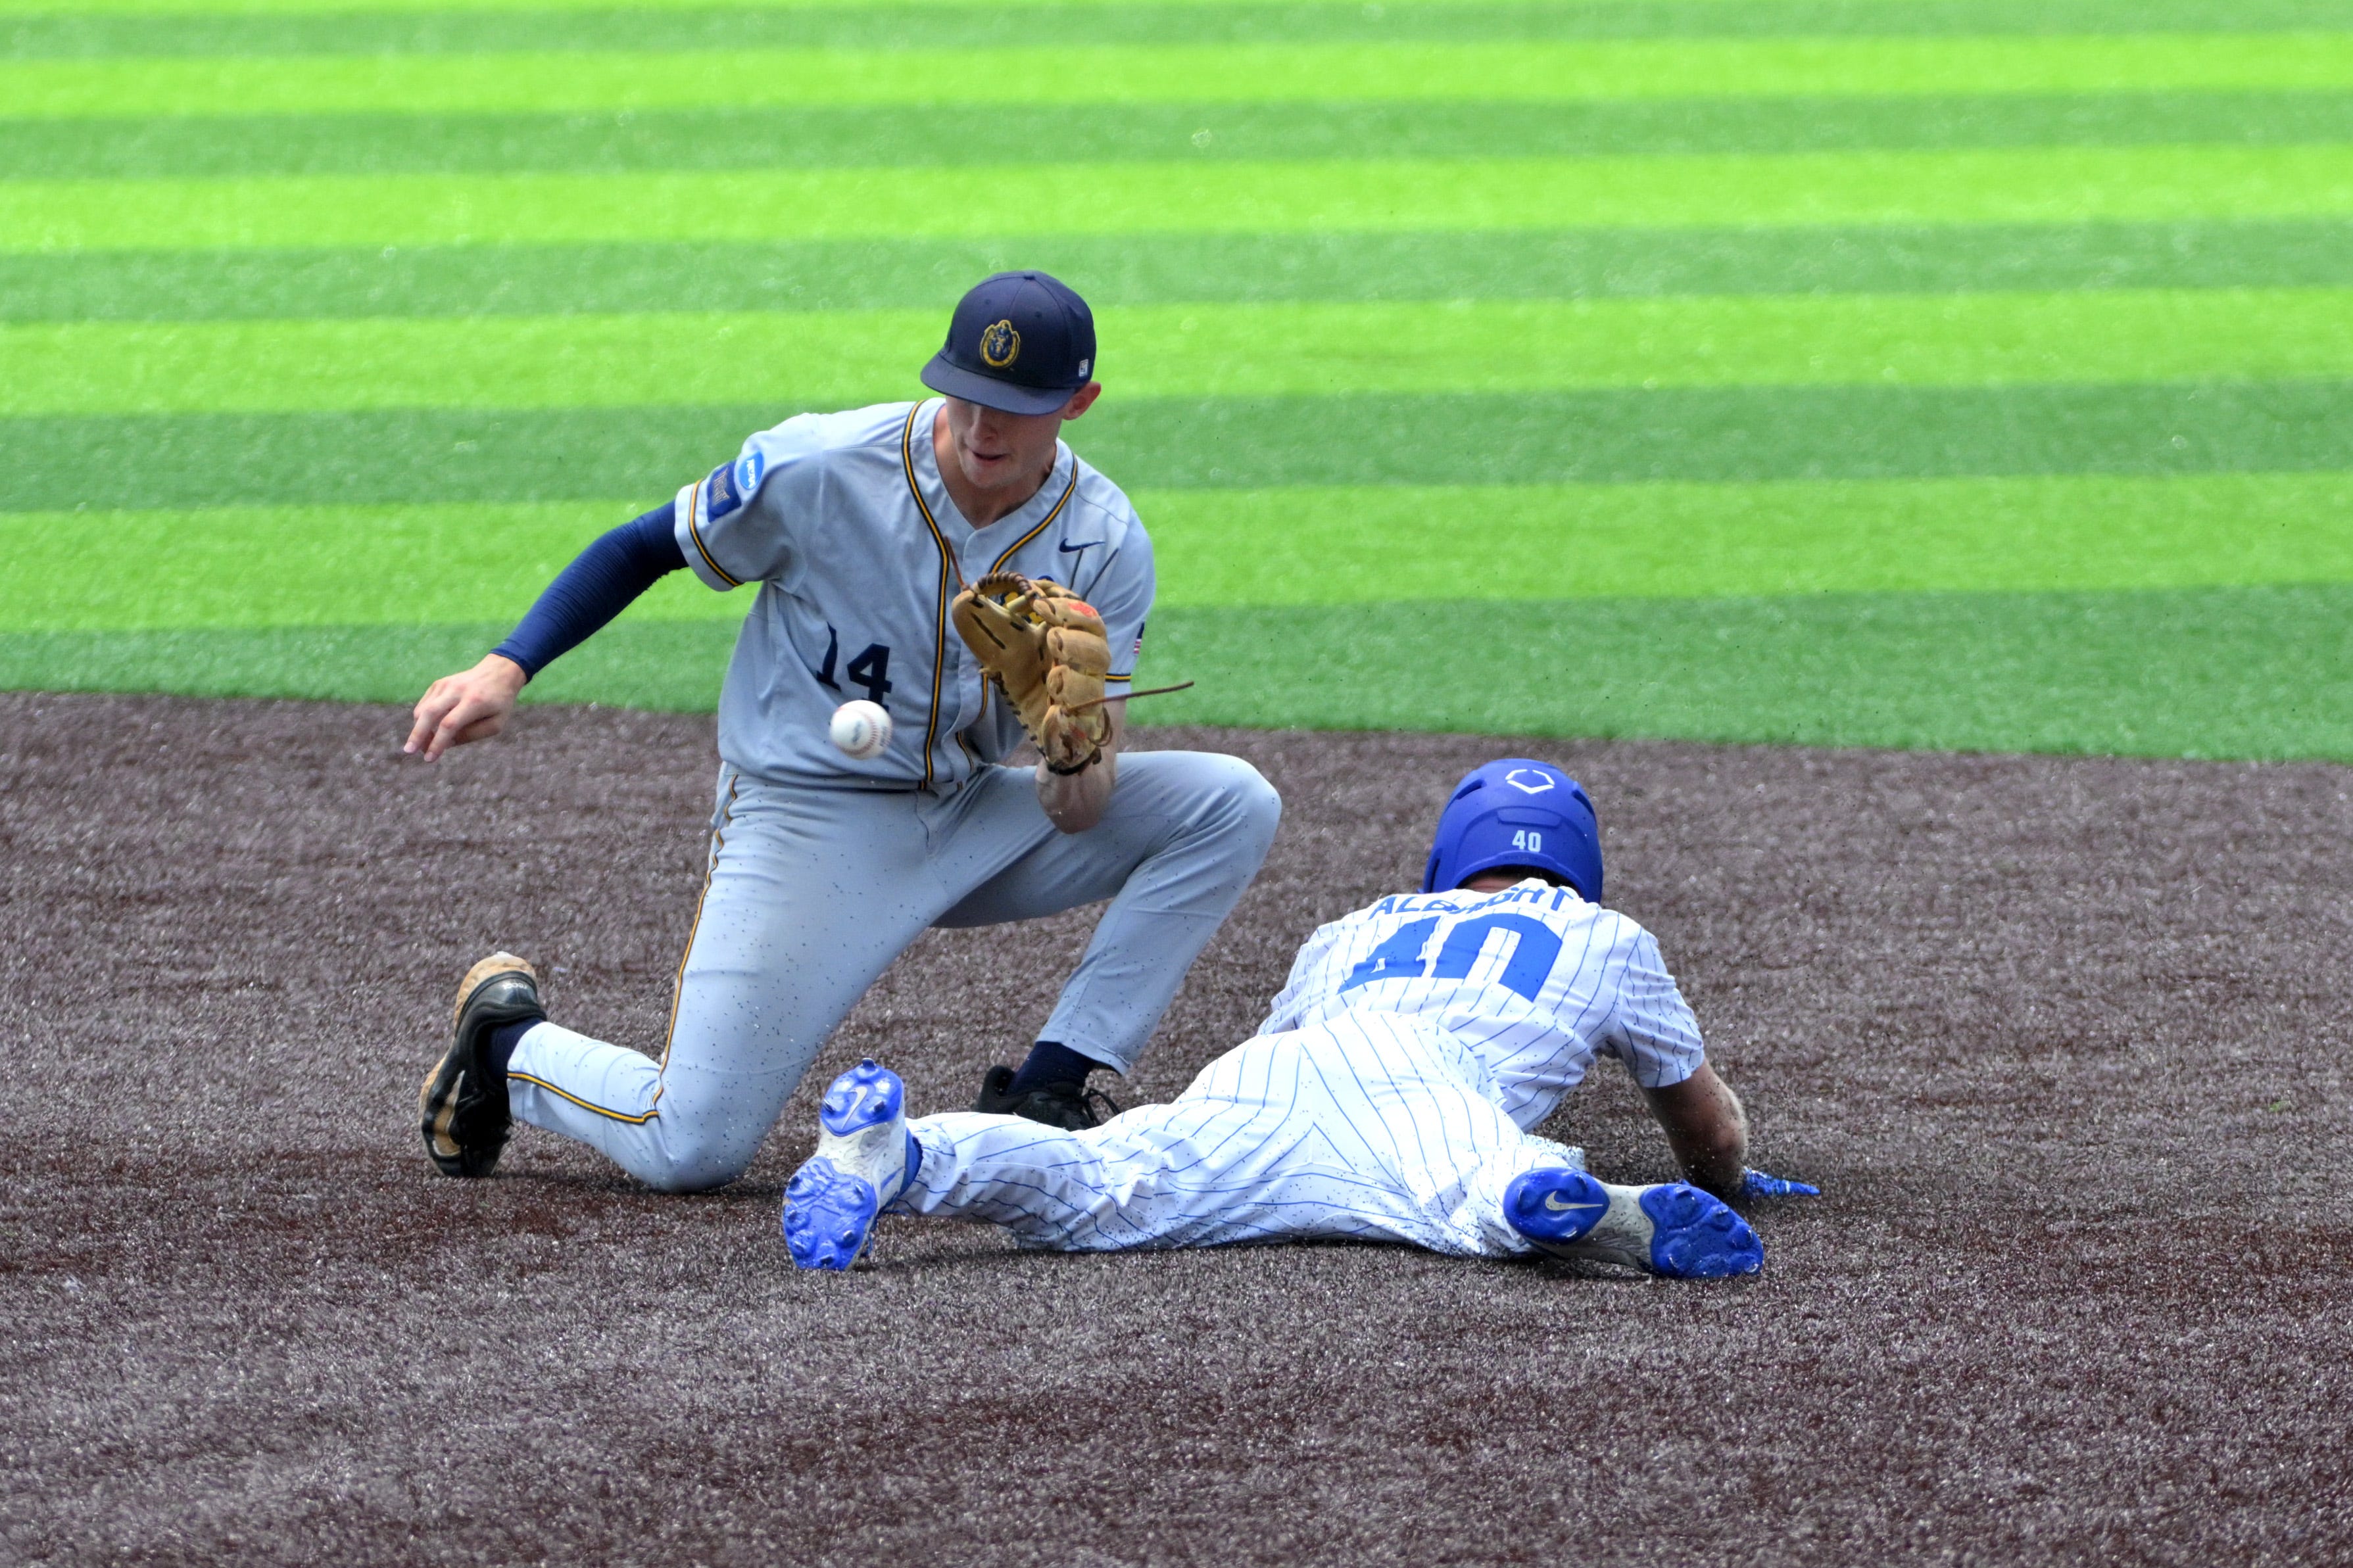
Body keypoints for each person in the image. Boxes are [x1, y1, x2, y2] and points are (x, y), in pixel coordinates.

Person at [410, 271, 1282, 1192]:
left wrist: (1072, 744)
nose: (983, 428)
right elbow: (643, 546)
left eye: (1016, 408)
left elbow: (1079, 811)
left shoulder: (1104, 540)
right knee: (690, 1146)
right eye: (968, 395)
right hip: (804, 820)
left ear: (1078, 403)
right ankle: (505, 1043)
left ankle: (1049, 1087)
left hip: (965, 814)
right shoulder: (821, 466)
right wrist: (507, 665)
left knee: (1232, 802)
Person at [780, 758, 1817, 1277]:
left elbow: (1280, 1049)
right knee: (1465, 1182)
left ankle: (903, 1154)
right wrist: (1727, 1177)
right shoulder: (1606, 934)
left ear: (1450, 855)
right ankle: (1579, 1203)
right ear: (1580, 866)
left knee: (1103, 1180)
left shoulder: (1359, 923)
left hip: (1274, 1072)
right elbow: (1708, 1126)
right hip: (1430, 1077)